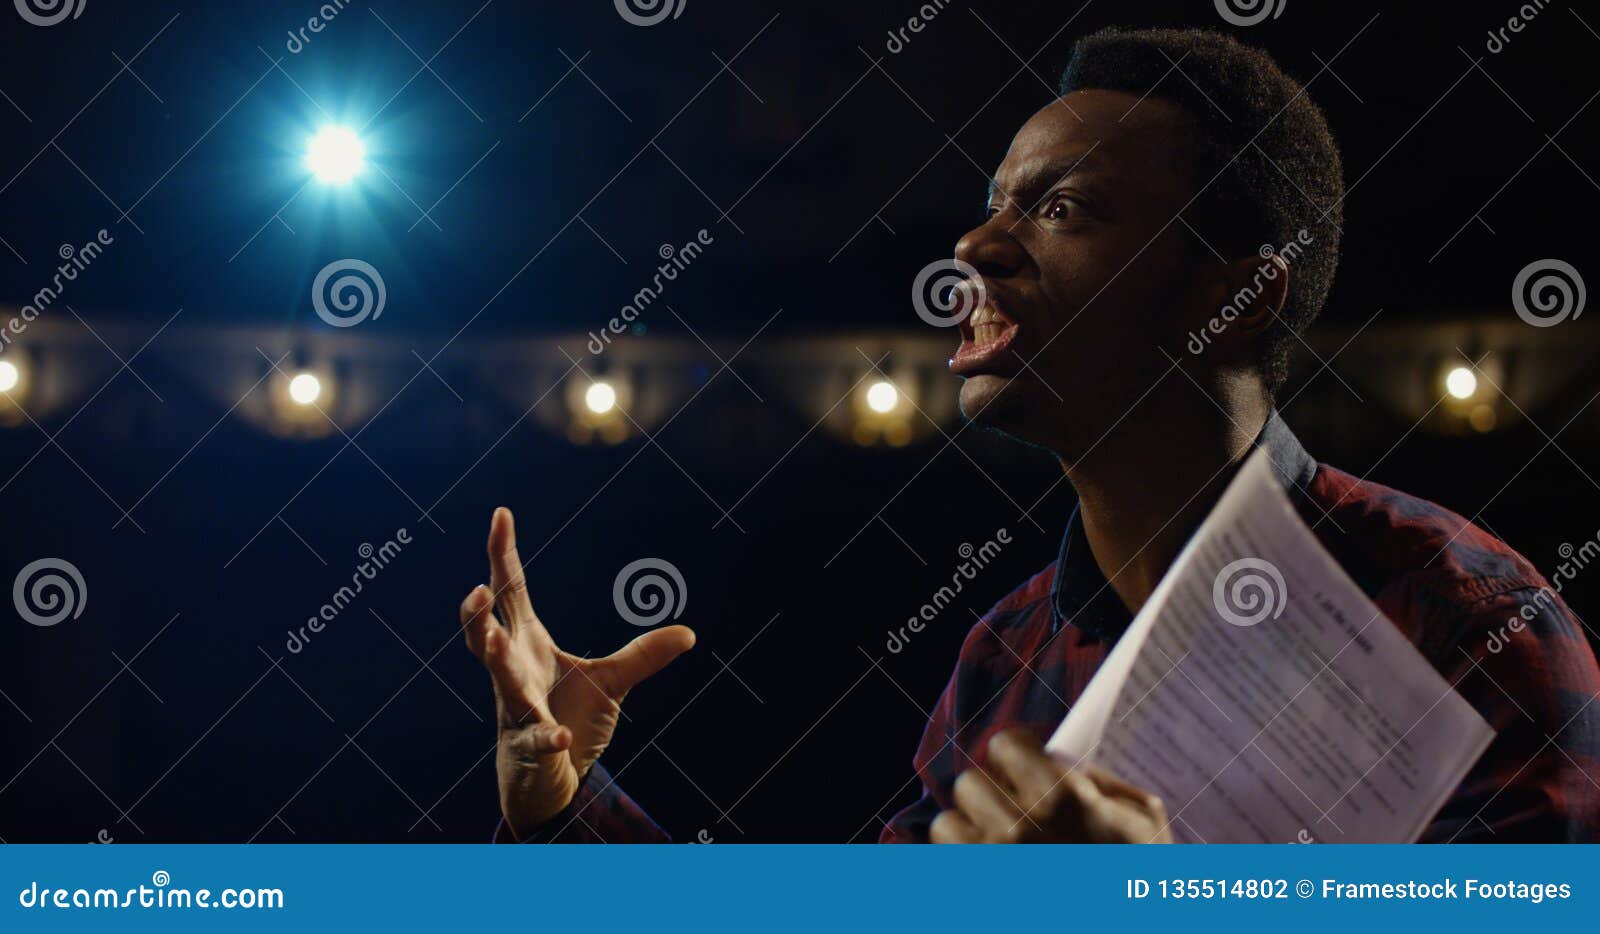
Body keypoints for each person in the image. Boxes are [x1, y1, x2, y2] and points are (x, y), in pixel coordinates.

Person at [457, 27, 1600, 844]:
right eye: (997, 199)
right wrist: (564, 803)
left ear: (1238, 298)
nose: (975, 243)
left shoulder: (1465, 619)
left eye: (1060, 210)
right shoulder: (1002, 657)